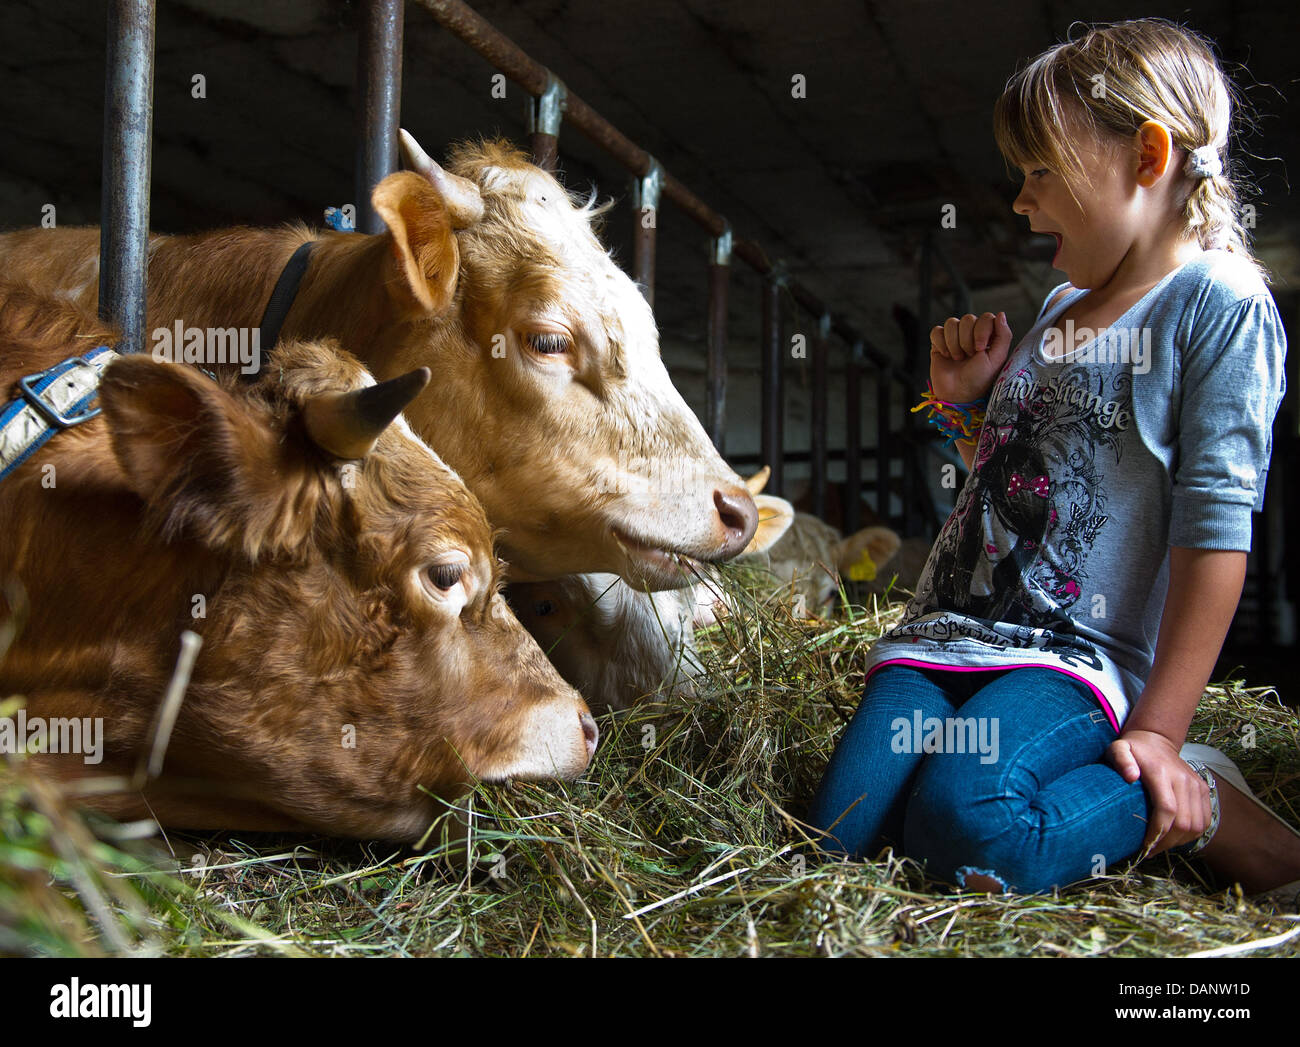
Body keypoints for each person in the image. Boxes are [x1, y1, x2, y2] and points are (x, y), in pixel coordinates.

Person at [809, 18, 1300, 899]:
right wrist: (963, 400)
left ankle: (1202, 794)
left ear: (1147, 157)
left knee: (974, 831)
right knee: (841, 833)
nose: (1022, 202)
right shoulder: (1064, 301)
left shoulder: (1216, 303)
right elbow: (1018, 476)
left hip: (1067, 650)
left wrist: (1157, 730)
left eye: (1041, 170)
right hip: (941, 635)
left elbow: (1215, 532)